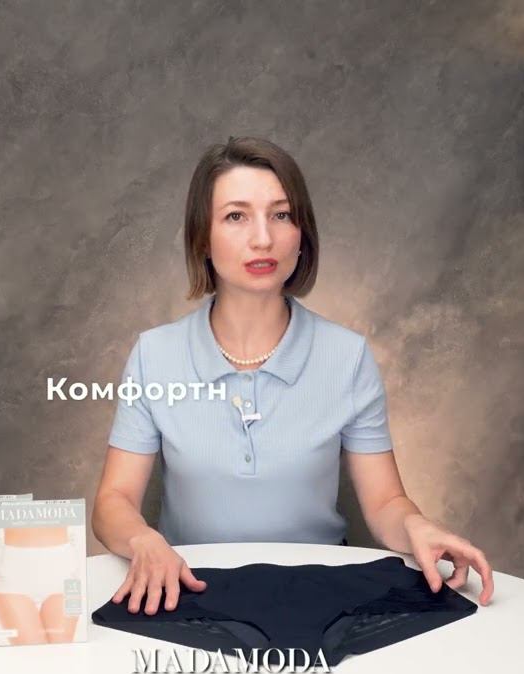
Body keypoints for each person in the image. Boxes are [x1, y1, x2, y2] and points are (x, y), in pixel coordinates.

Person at [91, 136, 494, 616]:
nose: (263, 238)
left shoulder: (347, 356)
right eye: (236, 216)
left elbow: (386, 502)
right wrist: (143, 540)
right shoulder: (154, 355)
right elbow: (114, 500)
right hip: (187, 593)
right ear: (202, 238)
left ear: (302, 234)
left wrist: (418, 527)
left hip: (319, 598)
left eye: (281, 214)